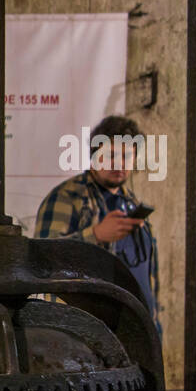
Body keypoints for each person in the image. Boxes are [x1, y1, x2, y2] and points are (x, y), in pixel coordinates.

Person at [35, 115, 161, 335]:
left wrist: (154, 328)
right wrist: (95, 235)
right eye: (111, 155)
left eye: (127, 156)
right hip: (80, 336)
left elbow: (148, 279)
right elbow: (40, 259)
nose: (119, 164)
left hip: (135, 332)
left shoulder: (132, 205)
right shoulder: (67, 197)